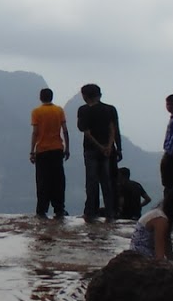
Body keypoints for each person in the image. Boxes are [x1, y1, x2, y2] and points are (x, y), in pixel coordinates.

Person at [76, 84, 120, 221]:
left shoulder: (83, 110)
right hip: (108, 151)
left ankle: (91, 212)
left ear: (85, 95)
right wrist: (110, 146)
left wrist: (100, 146)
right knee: (107, 182)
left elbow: (86, 132)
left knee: (92, 182)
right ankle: (110, 212)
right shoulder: (110, 109)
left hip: (91, 150)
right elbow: (113, 128)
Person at [29, 87, 69, 217]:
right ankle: (59, 208)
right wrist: (67, 147)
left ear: (41, 97)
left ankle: (42, 209)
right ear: (52, 97)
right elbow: (65, 130)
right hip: (57, 149)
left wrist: (32, 151)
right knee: (58, 180)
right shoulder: (59, 110)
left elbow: (35, 132)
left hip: (42, 150)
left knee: (42, 181)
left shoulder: (36, 112)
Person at [129, 185, 173, 260]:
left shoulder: (159, 214)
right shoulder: (161, 220)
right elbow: (159, 257)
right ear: (172, 203)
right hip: (142, 261)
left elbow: (168, 248)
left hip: (136, 258)